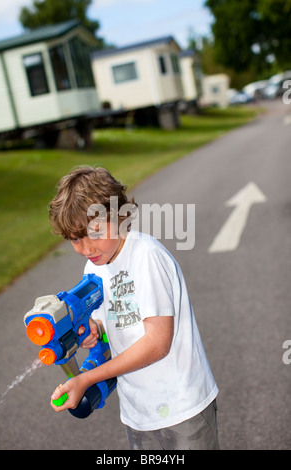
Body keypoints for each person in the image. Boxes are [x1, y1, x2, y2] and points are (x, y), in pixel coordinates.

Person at [49, 166, 219, 450]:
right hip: (138, 413)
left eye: (95, 232)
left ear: (119, 216)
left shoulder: (145, 256)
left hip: (182, 407)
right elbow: (109, 324)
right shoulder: (95, 267)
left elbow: (157, 343)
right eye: (76, 239)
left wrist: (86, 379)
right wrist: (96, 330)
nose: (87, 247)